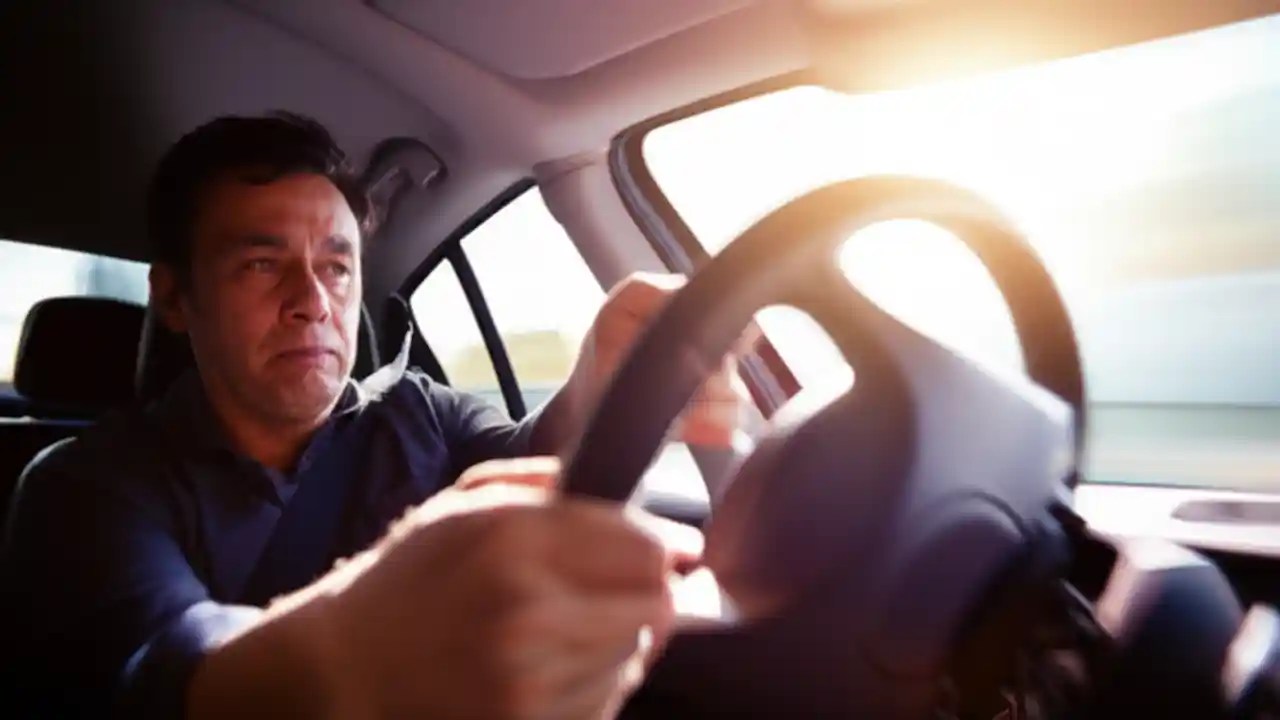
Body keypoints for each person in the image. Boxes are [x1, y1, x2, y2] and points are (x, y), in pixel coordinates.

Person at [0, 113, 751, 718]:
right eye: (261, 264)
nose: (313, 300)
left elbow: (537, 467)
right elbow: (158, 667)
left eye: (335, 266)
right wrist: (354, 652)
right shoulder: (83, 487)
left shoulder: (420, 413)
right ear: (172, 298)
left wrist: (606, 383)